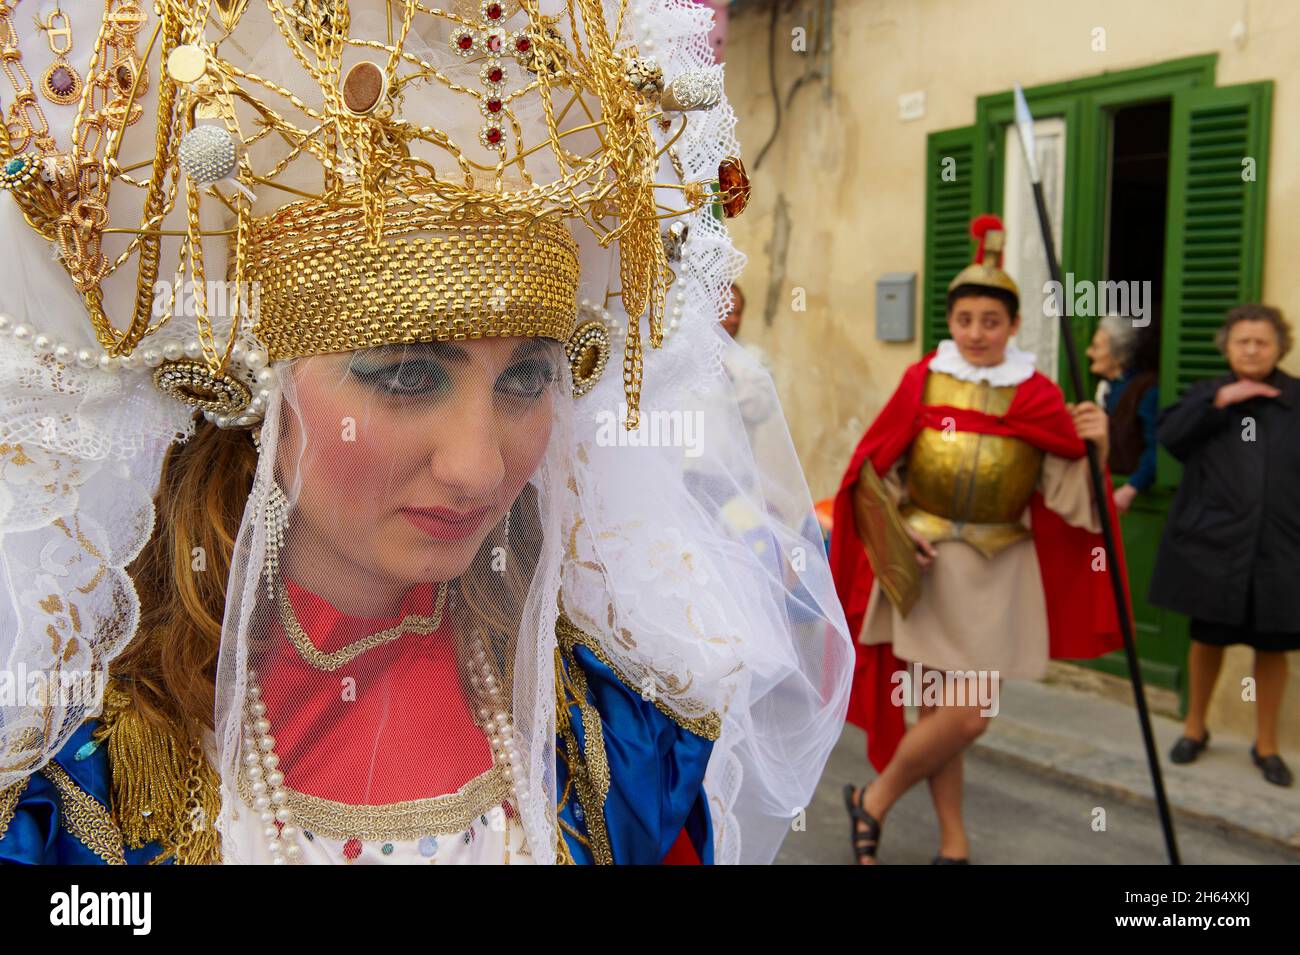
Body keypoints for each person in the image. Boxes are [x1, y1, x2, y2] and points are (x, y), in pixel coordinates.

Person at [0, 1, 852, 864]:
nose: (479, 467)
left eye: (525, 377)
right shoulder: (75, 782)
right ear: (259, 390)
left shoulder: (619, 738)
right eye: (407, 375)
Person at [829, 214, 1126, 864]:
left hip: (997, 572)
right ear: (952, 320)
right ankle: (955, 844)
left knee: (967, 714)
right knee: (944, 713)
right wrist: (899, 530)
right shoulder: (922, 379)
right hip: (929, 566)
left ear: (1013, 326)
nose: (977, 333)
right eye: (965, 320)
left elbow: (1069, 492)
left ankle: (873, 800)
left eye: (991, 322)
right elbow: (874, 472)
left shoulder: (1036, 393)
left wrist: (1095, 448)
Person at [1150, 304, 1299, 788]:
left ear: (1280, 347)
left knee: (1272, 647)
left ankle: (1267, 744)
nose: (1253, 349)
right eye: (1243, 342)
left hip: (1280, 547)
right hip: (1215, 546)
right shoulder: (1207, 395)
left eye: (1262, 342)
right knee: (1207, 638)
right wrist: (1221, 401)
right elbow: (1169, 437)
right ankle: (1195, 727)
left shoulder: (1295, 399)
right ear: (1228, 347)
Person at [1087, 315, 1159, 514]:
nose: (1089, 352)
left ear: (1118, 355)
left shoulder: (1146, 390)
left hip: (1128, 498)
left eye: (1096, 347)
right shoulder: (1108, 388)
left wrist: (1131, 488)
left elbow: (1157, 448)